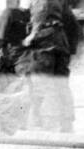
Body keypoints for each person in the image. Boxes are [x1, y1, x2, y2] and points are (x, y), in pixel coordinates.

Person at [19, 0, 77, 132]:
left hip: (44, 44)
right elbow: (74, 26)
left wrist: (31, 37)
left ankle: (46, 125)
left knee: (42, 84)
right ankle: (66, 124)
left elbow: (40, 18)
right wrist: (69, 48)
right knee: (61, 85)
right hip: (61, 45)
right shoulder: (61, 3)